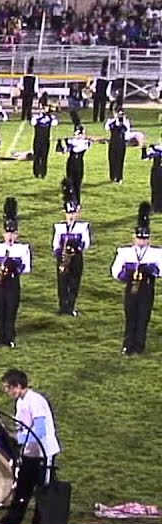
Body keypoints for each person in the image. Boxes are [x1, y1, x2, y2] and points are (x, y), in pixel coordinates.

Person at [0, 369, 61, 524]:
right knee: (22, 488)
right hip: (30, 453)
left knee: (43, 491)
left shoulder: (35, 401)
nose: (6, 391)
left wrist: (18, 439)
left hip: (43, 454)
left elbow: (40, 431)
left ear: (17, 386)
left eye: (8, 387)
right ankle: (12, 522)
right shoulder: (21, 402)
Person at [111, 203, 162, 354]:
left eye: (144, 239)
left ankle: (140, 345)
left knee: (143, 315)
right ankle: (128, 344)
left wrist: (151, 271)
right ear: (134, 238)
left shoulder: (156, 253)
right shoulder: (125, 252)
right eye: (139, 238)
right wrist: (126, 275)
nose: (141, 242)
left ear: (149, 239)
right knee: (130, 314)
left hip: (146, 287)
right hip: (131, 286)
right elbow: (115, 270)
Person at [0, 198, 33, 348]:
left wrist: (14, 267)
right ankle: (0, 337)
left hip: (13, 282)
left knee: (11, 309)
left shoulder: (22, 249)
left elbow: (26, 268)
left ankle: (9, 337)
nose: (10, 236)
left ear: (17, 234)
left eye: (13, 233)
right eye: (8, 233)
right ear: (3, 234)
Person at [53, 180, 90, 316]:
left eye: (73, 213)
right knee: (62, 282)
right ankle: (63, 306)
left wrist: (76, 248)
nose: (71, 216)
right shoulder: (59, 227)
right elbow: (55, 243)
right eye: (69, 213)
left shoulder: (82, 227)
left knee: (75, 281)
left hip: (76, 257)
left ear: (77, 213)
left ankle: (71, 306)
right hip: (63, 257)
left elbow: (86, 242)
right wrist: (60, 255)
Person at [57, 111, 92, 201]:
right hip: (71, 163)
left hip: (79, 163)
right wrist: (61, 144)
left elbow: (81, 146)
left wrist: (70, 141)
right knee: (70, 183)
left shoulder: (84, 142)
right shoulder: (72, 141)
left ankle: (77, 201)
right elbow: (63, 151)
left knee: (77, 183)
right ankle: (71, 200)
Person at [30, 96, 58, 179]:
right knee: (36, 156)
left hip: (46, 140)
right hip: (37, 140)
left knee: (44, 157)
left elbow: (55, 123)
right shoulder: (36, 117)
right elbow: (33, 123)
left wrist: (49, 115)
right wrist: (41, 116)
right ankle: (36, 172)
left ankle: (43, 173)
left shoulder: (51, 118)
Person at [105, 108, 130, 184]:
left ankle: (119, 177)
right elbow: (107, 128)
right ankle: (112, 177)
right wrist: (115, 120)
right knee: (112, 159)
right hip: (113, 142)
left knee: (120, 160)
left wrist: (123, 120)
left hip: (121, 143)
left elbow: (127, 130)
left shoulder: (125, 122)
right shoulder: (110, 121)